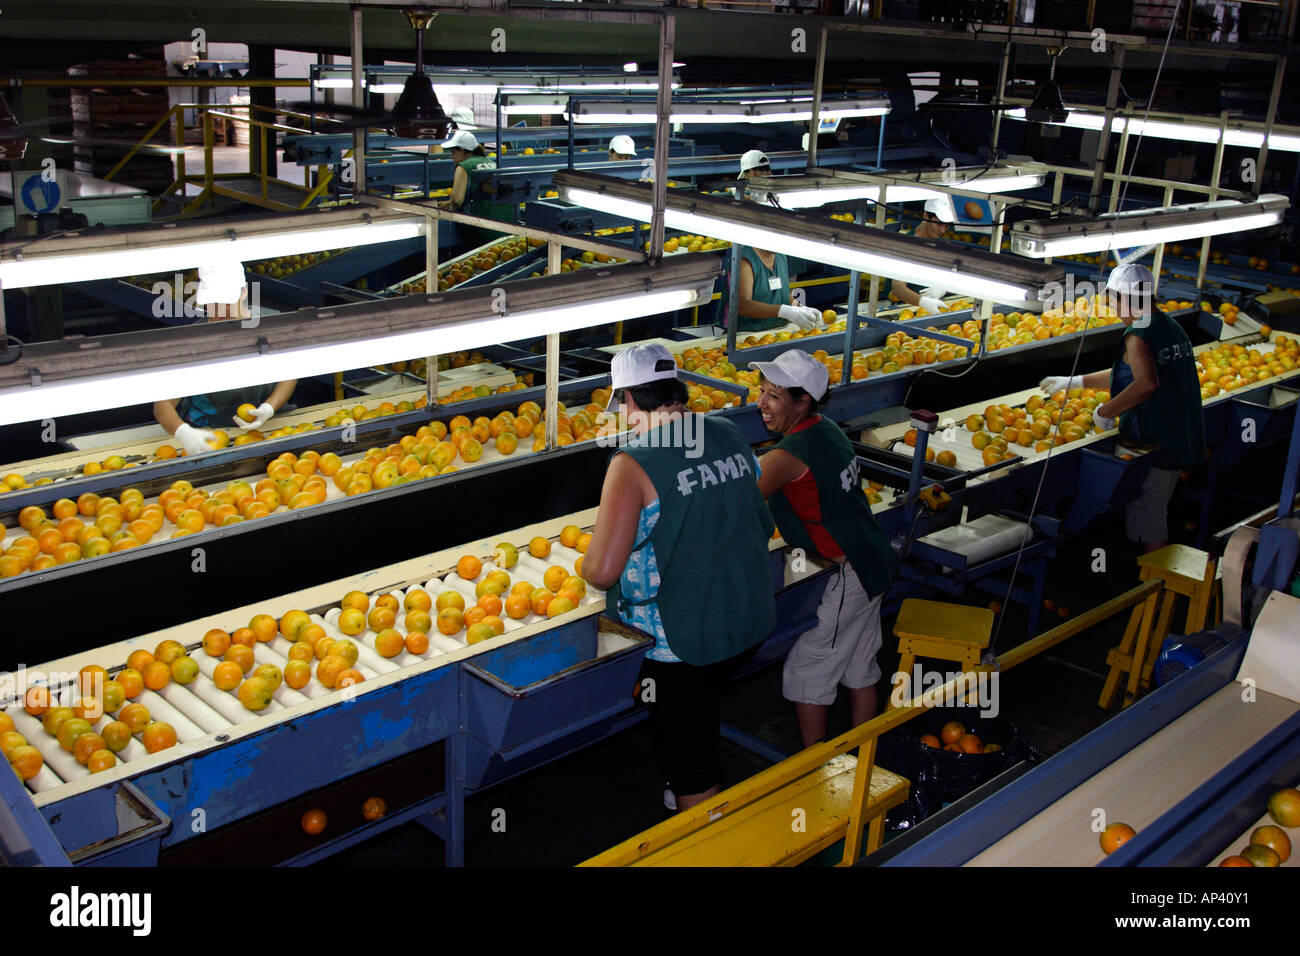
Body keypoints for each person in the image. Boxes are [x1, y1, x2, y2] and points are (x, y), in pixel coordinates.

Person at [582, 343, 776, 812]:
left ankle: (703, 827)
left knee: (686, 748)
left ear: (628, 398)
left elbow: (603, 571)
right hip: (746, 616)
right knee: (698, 711)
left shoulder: (631, 462)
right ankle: (684, 784)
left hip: (683, 643)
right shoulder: (729, 432)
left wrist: (589, 555)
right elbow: (752, 514)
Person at [752, 349, 899, 748]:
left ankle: (815, 767)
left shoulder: (786, 455)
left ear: (802, 402)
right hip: (872, 558)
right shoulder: (827, 429)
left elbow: (740, 504)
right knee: (859, 664)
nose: (761, 403)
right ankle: (863, 749)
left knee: (806, 673)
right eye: (761, 390)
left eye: (774, 396)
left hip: (846, 576)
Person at [1040, 263, 1207, 553]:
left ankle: (1156, 590)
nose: (1114, 310)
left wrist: (1104, 412)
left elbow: (1146, 384)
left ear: (1125, 298)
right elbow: (1128, 374)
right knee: (1155, 512)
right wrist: (1076, 382)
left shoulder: (1138, 333)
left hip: (1155, 444)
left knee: (1150, 520)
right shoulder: (1168, 325)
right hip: (1178, 438)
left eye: (1113, 301)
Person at [153, 261, 296, 455]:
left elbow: (289, 373)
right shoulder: (191, 340)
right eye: (213, 303)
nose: (219, 311)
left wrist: (270, 407)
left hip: (270, 431)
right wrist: (184, 433)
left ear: (243, 292)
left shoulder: (271, 324)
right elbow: (162, 404)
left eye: (226, 302)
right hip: (208, 438)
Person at [733, 150, 823, 335]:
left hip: (775, 333)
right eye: (758, 170)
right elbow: (742, 305)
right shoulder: (746, 260)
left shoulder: (780, 256)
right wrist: (784, 311)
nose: (764, 173)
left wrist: (800, 309)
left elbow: (781, 295)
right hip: (747, 335)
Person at [889, 196, 954, 316]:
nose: (942, 230)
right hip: (900, 311)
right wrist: (923, 302)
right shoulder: (906, 244)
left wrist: (943, 288)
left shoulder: (940, 246)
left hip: (925, 312)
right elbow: (897, 287)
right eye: (939, 224)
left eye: (946, 226)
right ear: (925, 216)